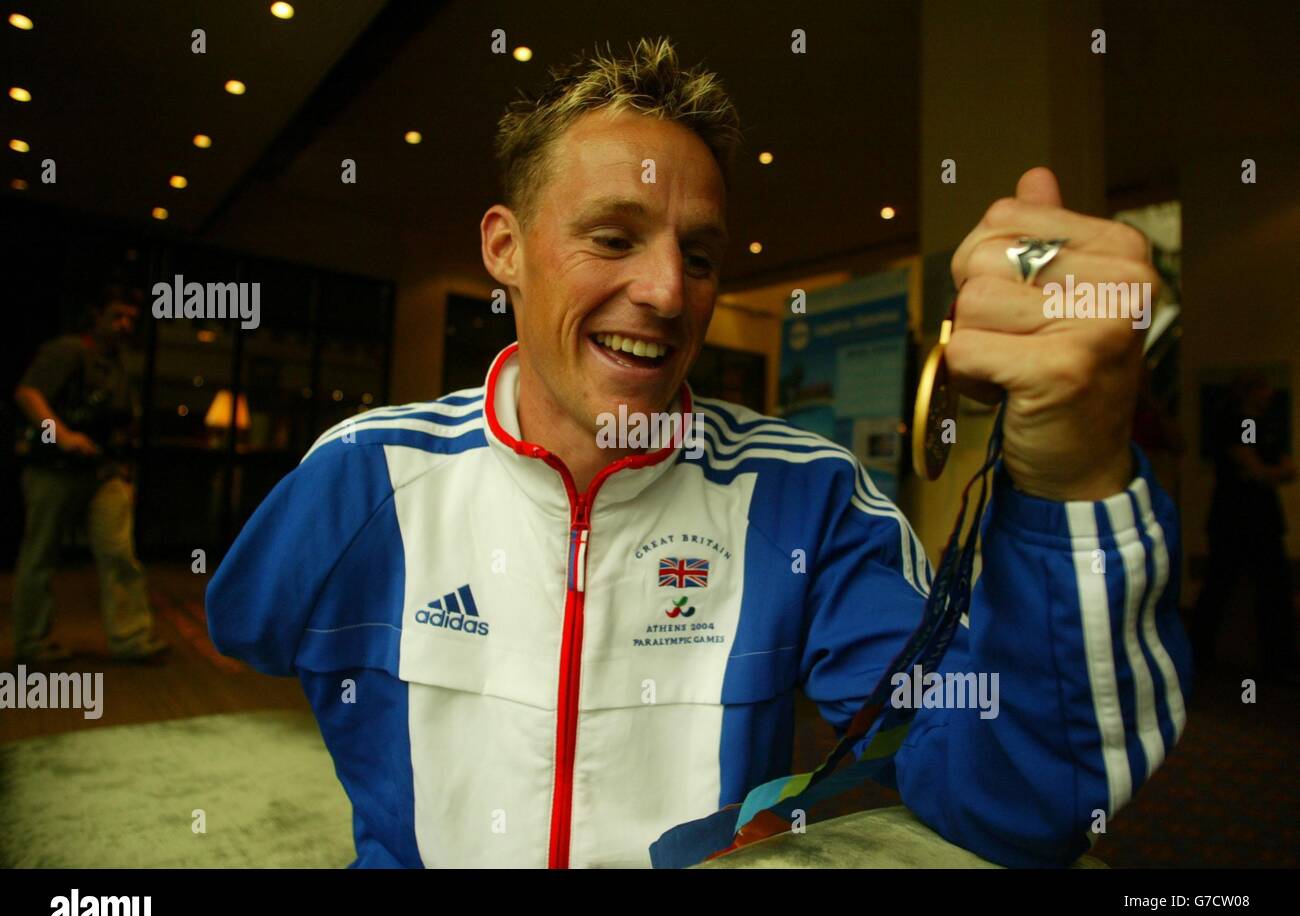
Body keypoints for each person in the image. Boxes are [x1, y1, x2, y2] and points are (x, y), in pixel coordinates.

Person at [207, 38, 1190, 868]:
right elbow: (240, 625)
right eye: (613, 236)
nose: (670, 293)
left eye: (702, 254)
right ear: (504, 248)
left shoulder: (808, 500)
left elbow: (1008, 803)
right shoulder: (364, 474)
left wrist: (1070, 476)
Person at [11, 282, 165, 665]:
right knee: (39, 557)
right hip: (54, 470)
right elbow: (27, 395)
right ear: (96, 315)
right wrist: (61, 436)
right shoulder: (68, 350)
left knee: (119, 554)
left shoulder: (118, 364)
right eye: (117, 315)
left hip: (102, 471)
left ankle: (132, 639)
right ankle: (32, 644)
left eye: (131, 318)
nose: (125, 324)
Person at [1192, 371, 1297, 673]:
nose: (1269, 394)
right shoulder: (1234, 423)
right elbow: (1260, 468)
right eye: (1263, 387)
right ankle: (1200, 651)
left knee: (1272, 588)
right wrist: (1267, 472)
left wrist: (1265, 472)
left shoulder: (1264, 426)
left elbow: (1281, 469)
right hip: (1234, 520)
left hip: (1262, 519)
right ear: (1249, 392)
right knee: (1220, 586)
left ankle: (1279, 657)